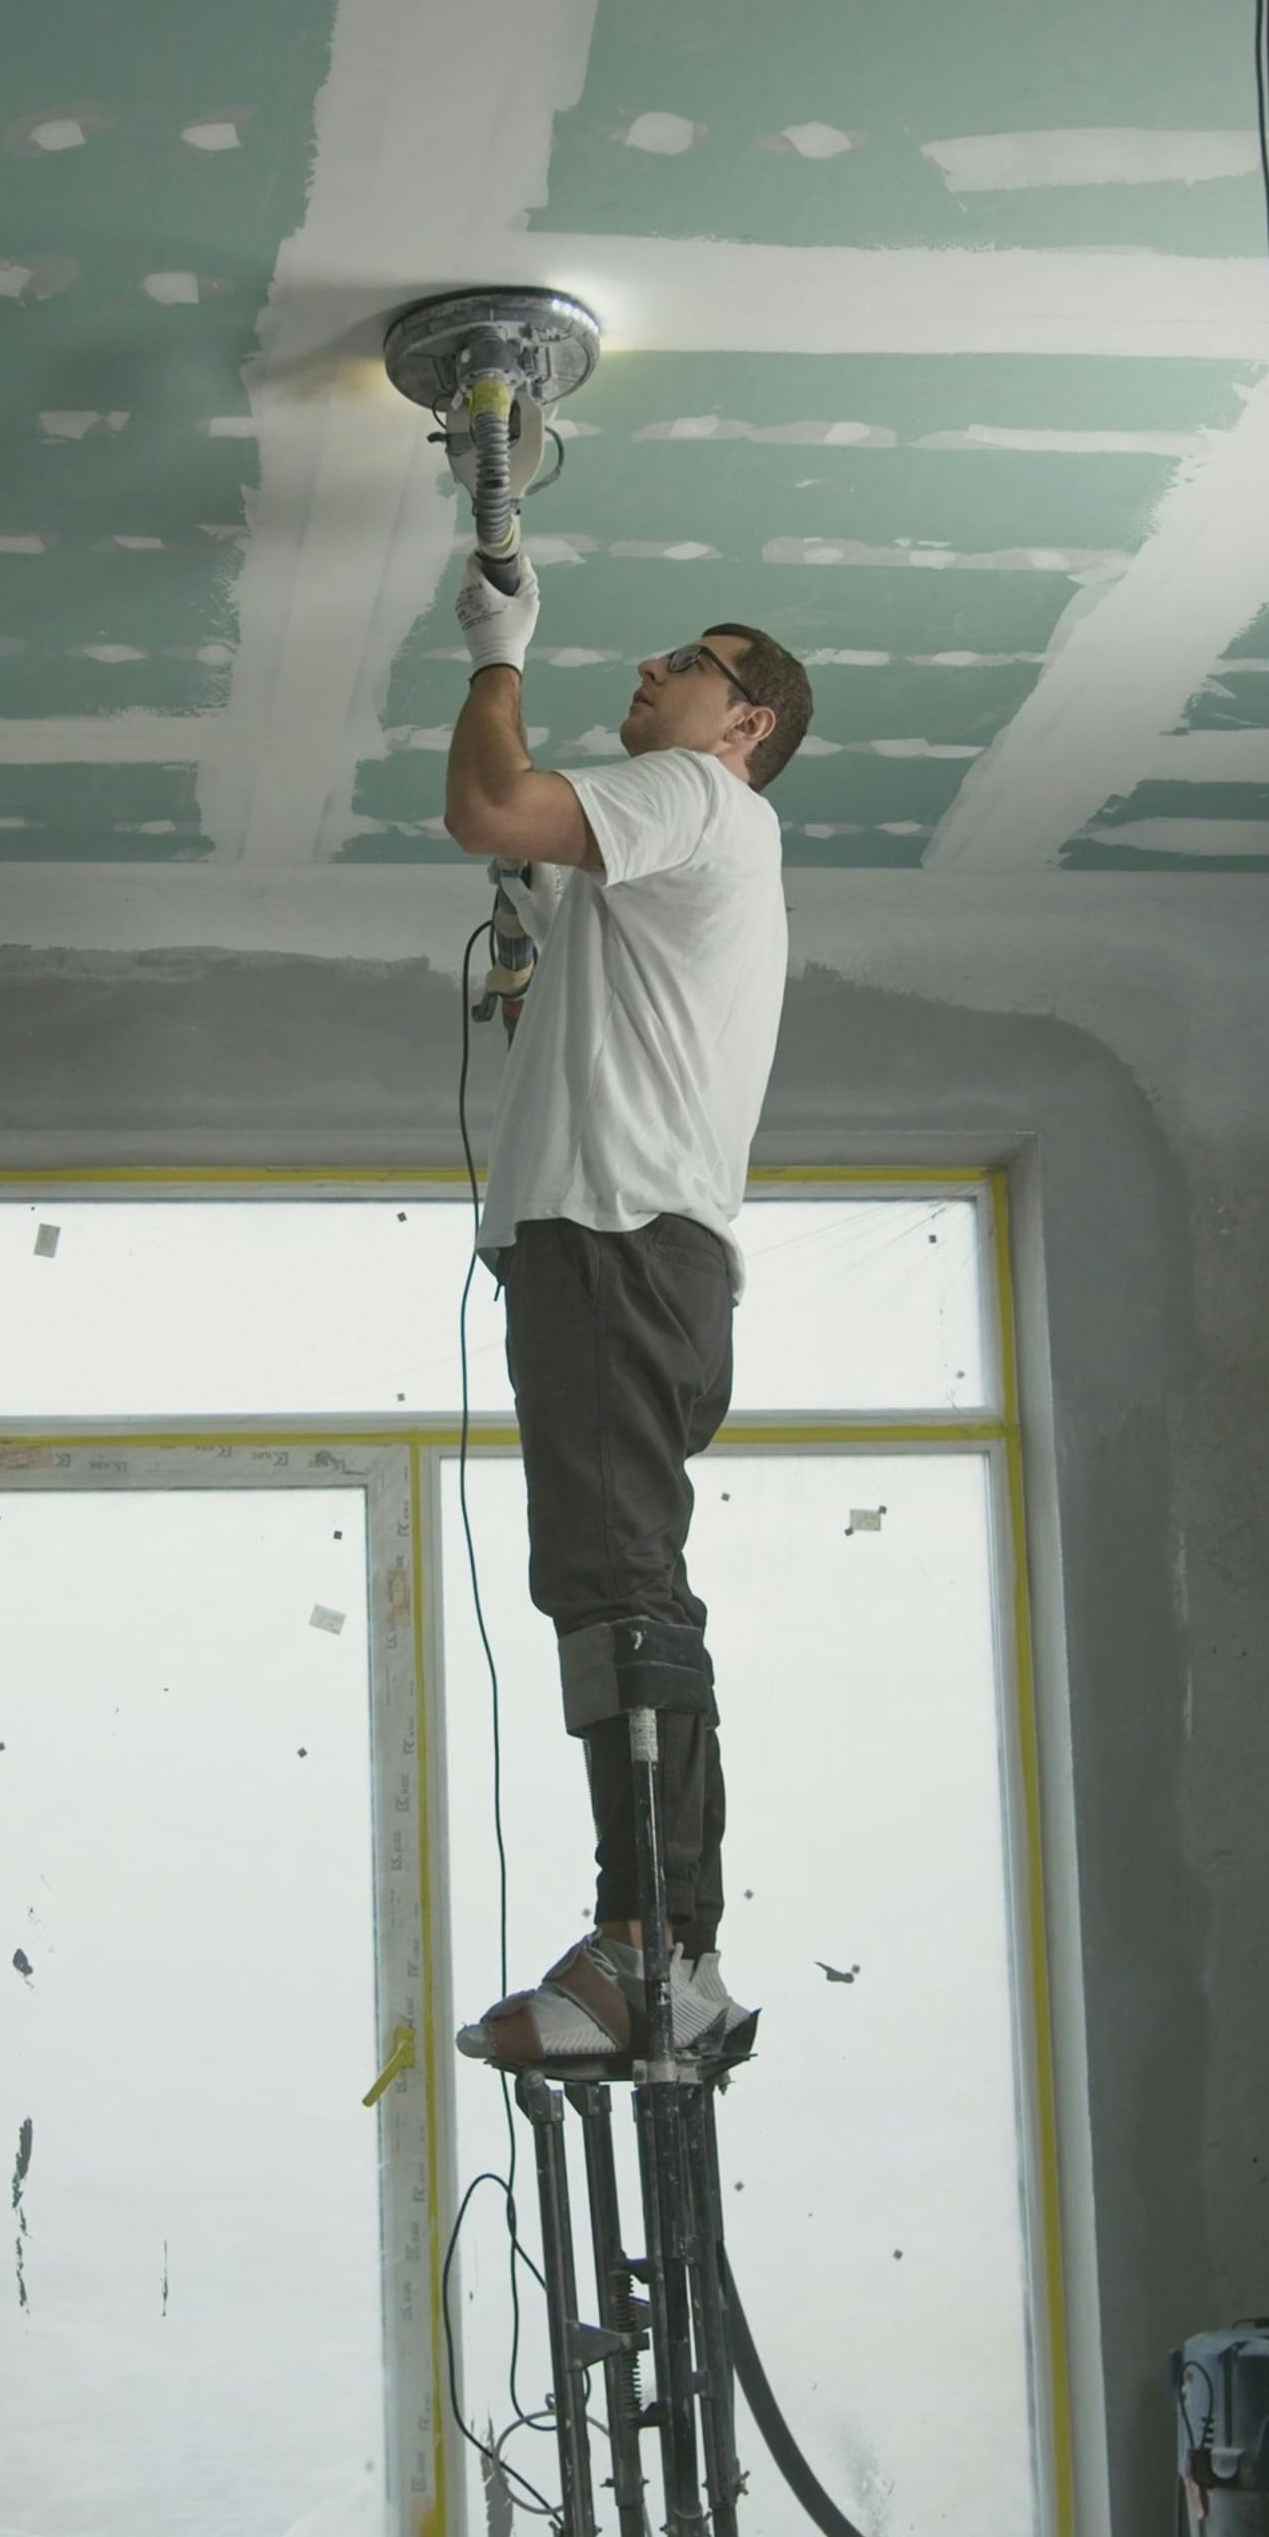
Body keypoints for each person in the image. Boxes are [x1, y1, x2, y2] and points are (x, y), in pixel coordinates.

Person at [441, 542, 813, 2074]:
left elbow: (490, 806)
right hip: (618, 1255)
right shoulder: (671, 837)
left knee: (617, 1590)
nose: (655, 671)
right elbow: (528, 864)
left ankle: (650, 1948)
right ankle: (669, 1948)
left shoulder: (702, 799)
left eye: (693, 665)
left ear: (747, 729)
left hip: (614, 1247)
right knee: (617, 1586)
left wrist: (496, 651)